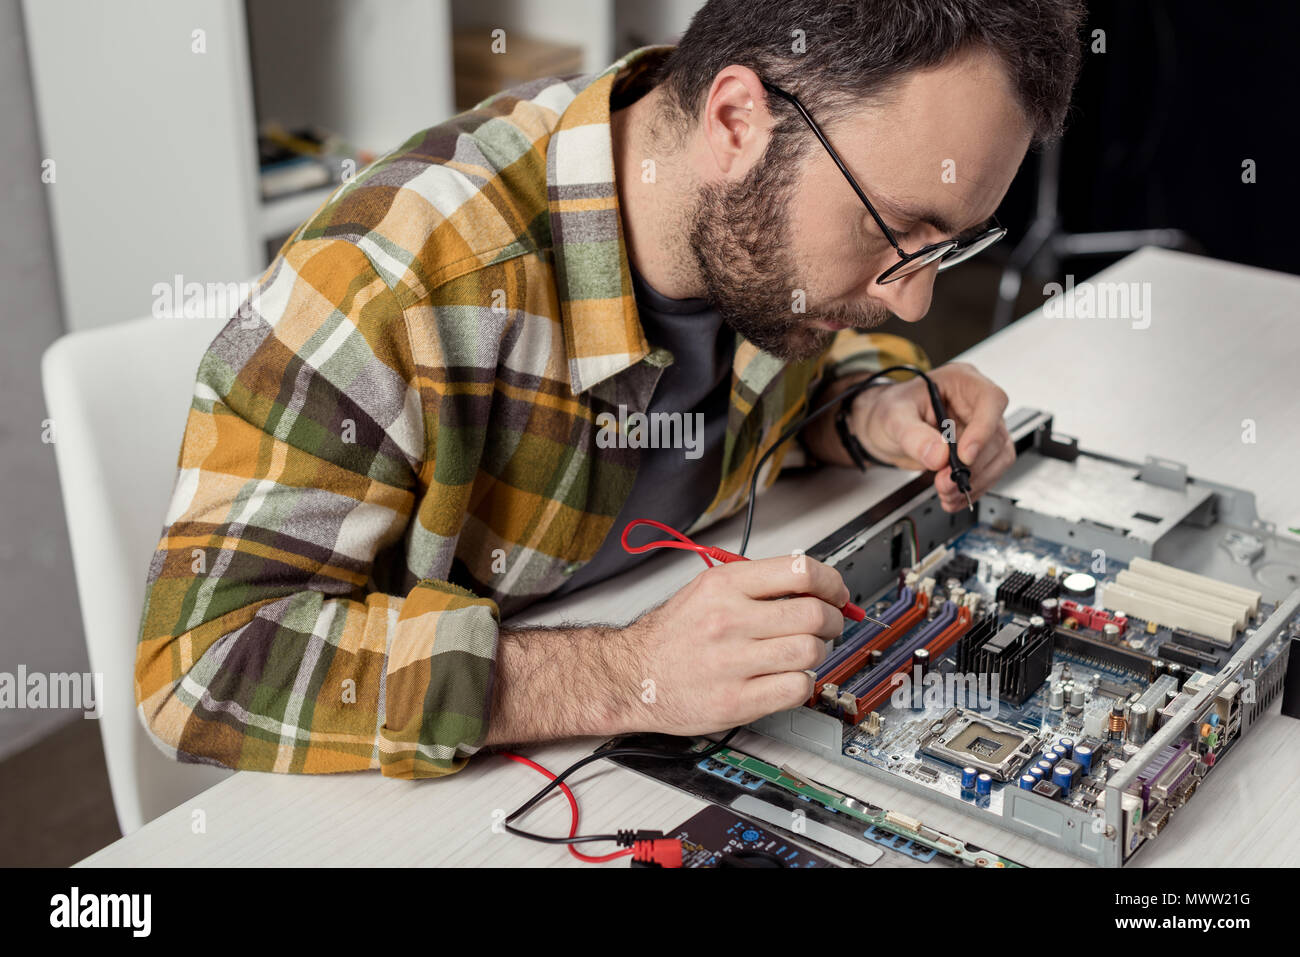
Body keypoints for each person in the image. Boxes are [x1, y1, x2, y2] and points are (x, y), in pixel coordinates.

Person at [136, 0, 1083, 778]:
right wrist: (625, 671)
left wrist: (870, 407)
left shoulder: (748, 221)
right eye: (895, 231)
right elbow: (201, 662)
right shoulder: (395, 285)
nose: (914, 304)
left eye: (948, 247)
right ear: (735, 121)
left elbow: (781, 375)